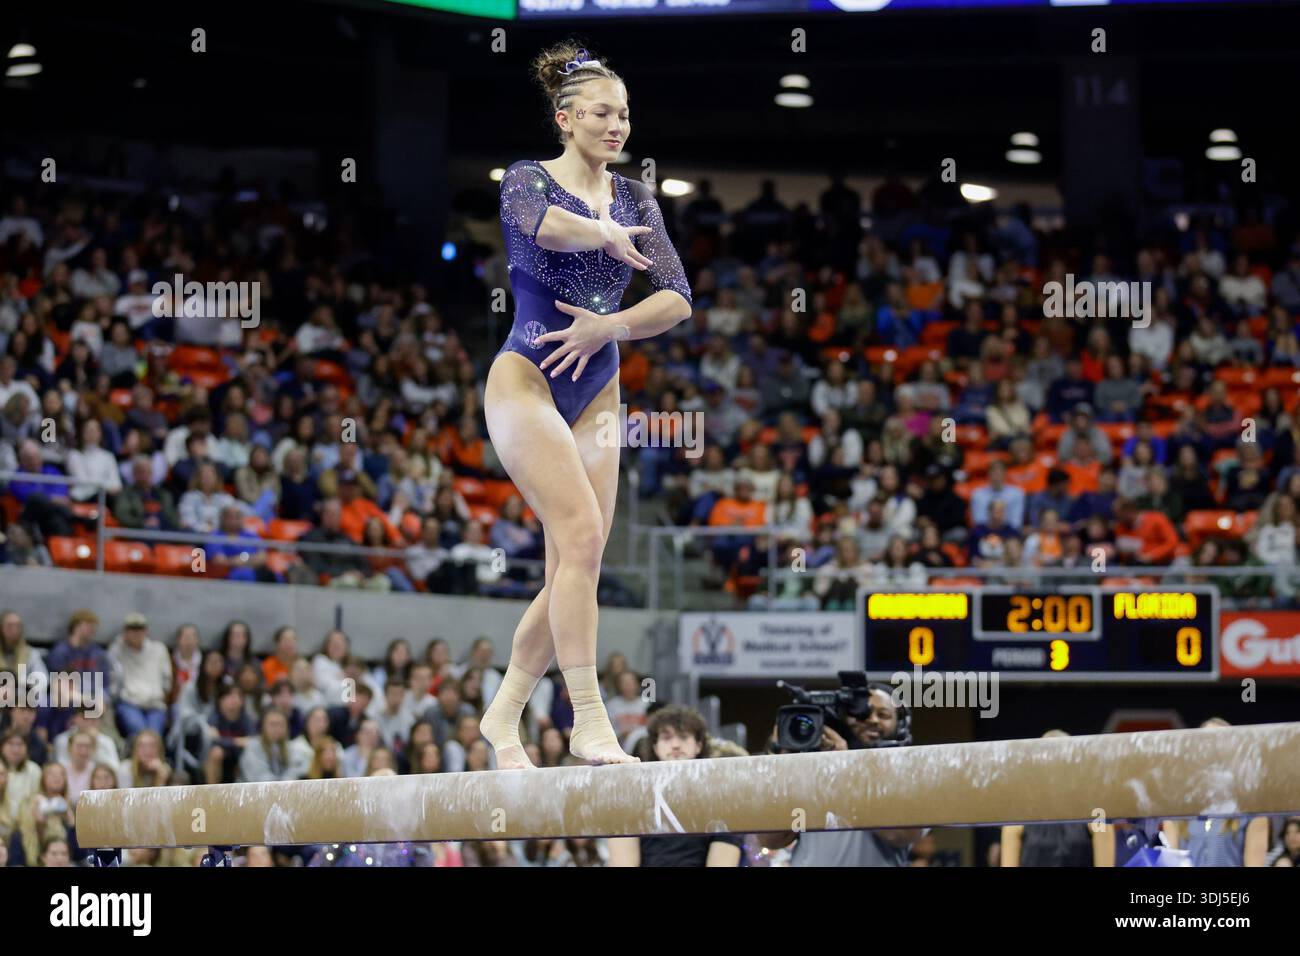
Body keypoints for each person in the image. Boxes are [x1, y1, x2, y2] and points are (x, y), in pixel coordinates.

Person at [478, 42, 692, 770]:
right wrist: (600, 231)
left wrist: (613, 325)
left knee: (578, 559)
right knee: (580, 534)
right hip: (528, 378)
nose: (617, 124)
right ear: (567, 118)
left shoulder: (637, 198)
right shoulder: (527, 180)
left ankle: (502, 716)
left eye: (625, 113)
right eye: (602, 112)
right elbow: (547, 229)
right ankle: (589, 719)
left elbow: (677, 298)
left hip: (598, 378)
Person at [757, 687, 925, 866]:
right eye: (863, 714)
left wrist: (844, 768)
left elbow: (903, 834)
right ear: (844, 719)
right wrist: (786, 766)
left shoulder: (907, 772)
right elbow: (771, 840)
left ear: (900, 724)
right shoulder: (814, 769)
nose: (873, 720)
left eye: (883, 715)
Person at [608, 705, 743, 867]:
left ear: (699, 745)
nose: (676, 745)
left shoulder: (719, 798)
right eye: (667, 738)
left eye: (684, 737)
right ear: (655, 746)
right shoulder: (633, 797)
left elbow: (722, 862)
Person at [108, 612, 173, 739]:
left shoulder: (159, 649)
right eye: (132, 629)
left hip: (155, 704)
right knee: (139, 733)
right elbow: (112, 677)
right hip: (129, 703)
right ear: (125, 632)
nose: (137, 633)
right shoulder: (117, 650)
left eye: (140, 629)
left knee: (154, 737)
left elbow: (167, 680)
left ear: (146, 631)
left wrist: (162, 695)